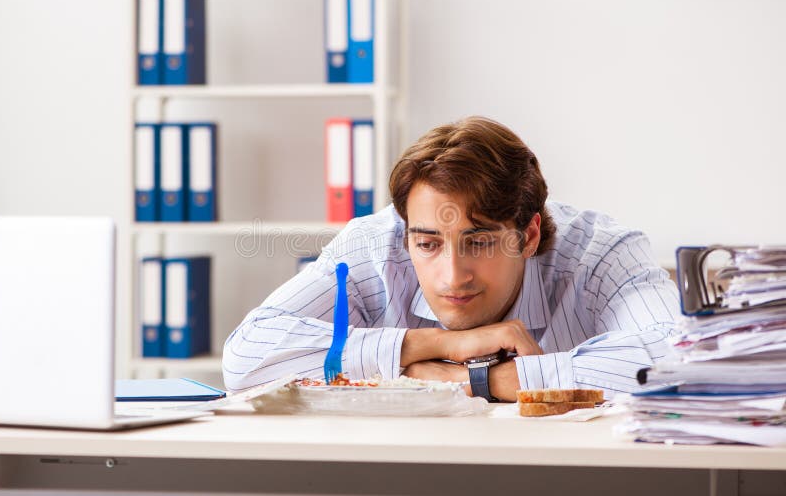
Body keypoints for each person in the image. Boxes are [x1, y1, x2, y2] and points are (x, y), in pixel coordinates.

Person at [223, 116, 678, 401]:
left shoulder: (602, 255)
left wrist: (479, 381)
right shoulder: (369, 247)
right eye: (427, 244)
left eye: (478, 242)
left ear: (528, 234)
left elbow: (680, 362)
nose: (452, 276)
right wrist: (435, 347)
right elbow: (247, 357)